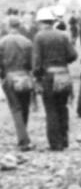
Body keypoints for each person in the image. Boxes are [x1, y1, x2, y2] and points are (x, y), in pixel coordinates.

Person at [32, 8, 76, 151]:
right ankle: (64, 140)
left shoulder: (39, 37)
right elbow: (73, 55)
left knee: (51, 109)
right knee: (62, 107)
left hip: (49, 77)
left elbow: (37, 62)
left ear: (40, 22)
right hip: (63, 75)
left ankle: (55, 144)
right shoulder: (63, 36)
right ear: (52, 21)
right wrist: (62, 60)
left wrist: (37, 76)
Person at [0, 16, 35, 151]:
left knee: (16, 109)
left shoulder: (2, 42)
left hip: (10, 77)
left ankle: (23, 140)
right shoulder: (27, 41)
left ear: (9, 26)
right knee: (25, 107)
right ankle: (24, 135)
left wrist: (2, 76)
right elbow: (32, 63)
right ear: (19, 26)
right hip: (25, 77)